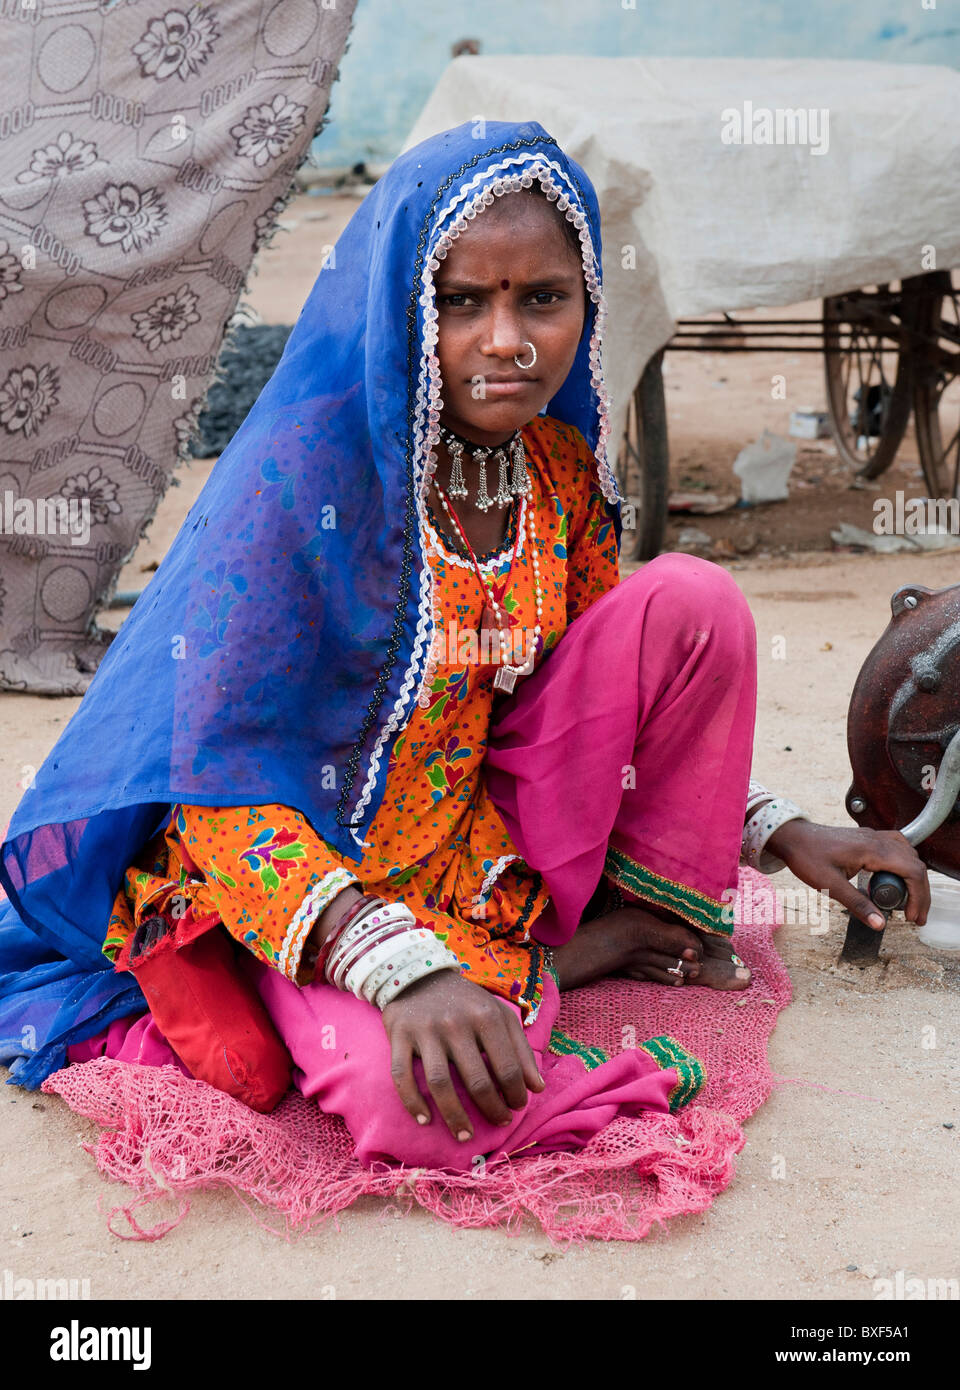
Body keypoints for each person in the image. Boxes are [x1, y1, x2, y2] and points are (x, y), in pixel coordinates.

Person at [0, 120, 930, 1172]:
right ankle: (550, 963)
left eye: (543, 298)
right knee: (420, 1113)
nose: (508, 340)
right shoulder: (302, 483)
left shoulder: (562, 471)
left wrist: (776, 829)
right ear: (407, 305)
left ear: (588, 303)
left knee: (693, 599)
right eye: (461, 301)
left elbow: (608, 694)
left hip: (475, 838)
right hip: (304, 858)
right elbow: (218, 788)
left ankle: (605, 923)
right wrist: (394, 963)